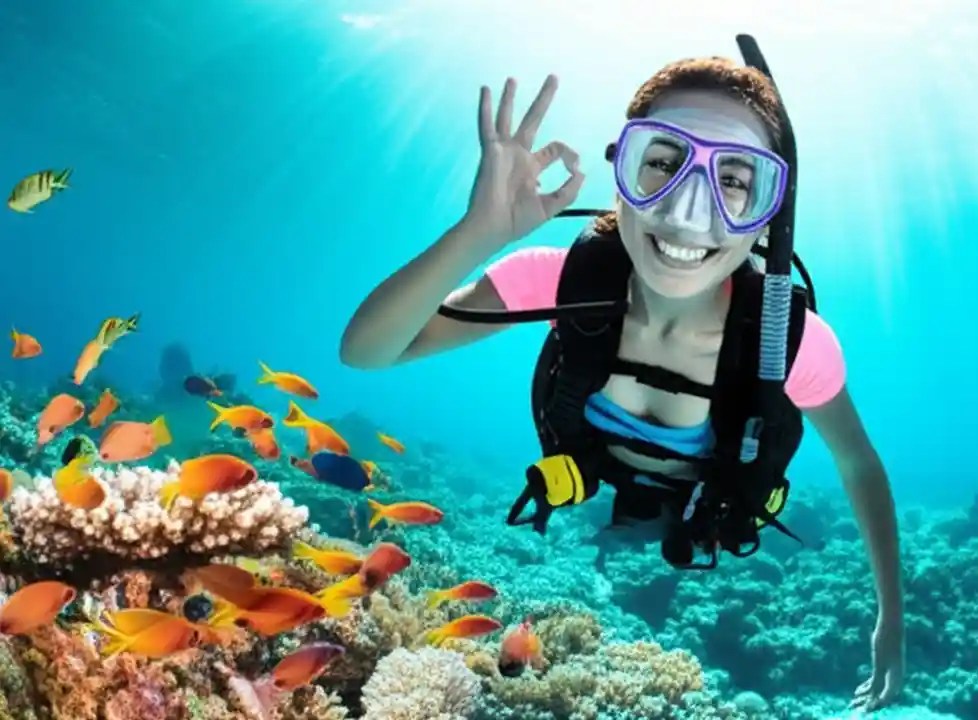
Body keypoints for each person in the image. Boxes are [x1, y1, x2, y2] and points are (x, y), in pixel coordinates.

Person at [340, 37, 904, 711]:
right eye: (660, 164)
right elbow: (367, 351)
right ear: (621, 173)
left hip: (712, 504)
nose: (688, 212)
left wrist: (890, 616)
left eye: (733, 182)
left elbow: (859, 464)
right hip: (590, 476)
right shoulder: (563, 281)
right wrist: (480, 233)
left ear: (767, 217)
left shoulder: (787, 340)